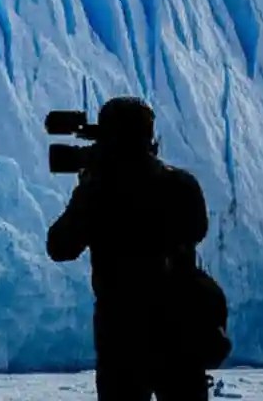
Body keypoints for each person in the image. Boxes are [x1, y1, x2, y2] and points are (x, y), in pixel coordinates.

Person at [47, 96, 211, 400]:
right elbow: (198, 230)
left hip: (123, 334)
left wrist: (88, 188)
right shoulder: (182, 185)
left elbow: (60, 246)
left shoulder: (99, 192)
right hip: (180, 329)